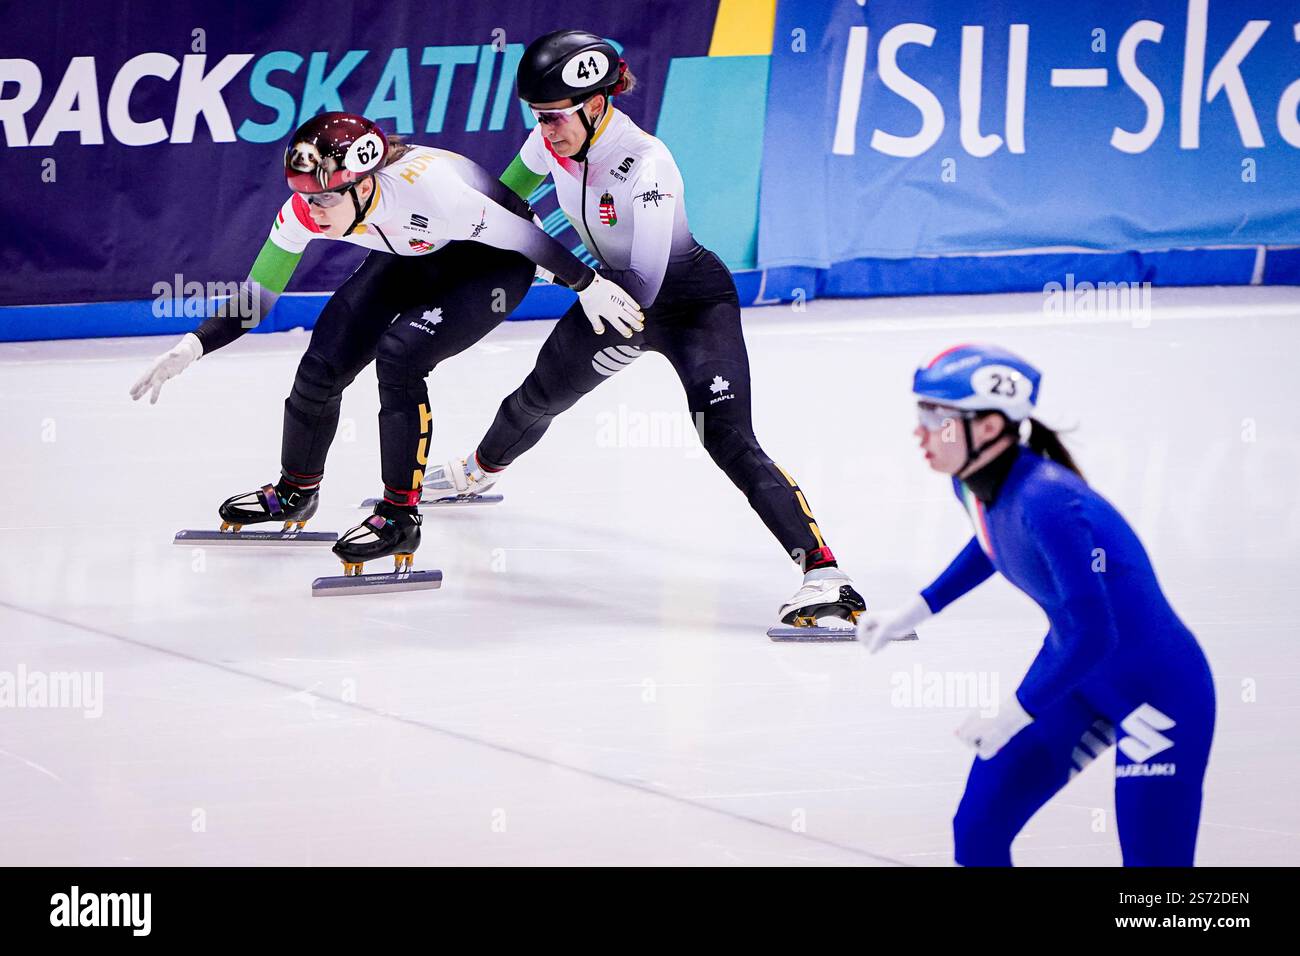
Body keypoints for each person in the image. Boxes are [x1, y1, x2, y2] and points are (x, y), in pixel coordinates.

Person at [426, 30, 866, 625]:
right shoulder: (547, 142)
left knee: (727, 438)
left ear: (597, 102)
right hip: (612, 296)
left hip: (684, 305)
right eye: (538, 116)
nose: (546, 131)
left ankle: (825, 575)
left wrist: (559, 276)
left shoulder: (648, 165)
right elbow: (501, 206)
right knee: (536, 398)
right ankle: (479, 470)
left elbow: (646, 285)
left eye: (556, 117)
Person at [129, 111, 642, 575]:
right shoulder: (307, 210)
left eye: (326, 197)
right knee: (322, 364)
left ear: (363, 182)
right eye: (306, 195)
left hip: (493, 263)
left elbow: (525, 237)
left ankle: (399, 515)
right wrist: (191, 347)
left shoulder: (435, 191)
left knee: (400, 357)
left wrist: (587, 285)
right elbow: (257, 299)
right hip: (419, 250)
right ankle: (295, 492)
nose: (314, 209)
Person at [857, 344, 1215, 866]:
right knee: (978, 830)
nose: (921, 432)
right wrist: (913, 611)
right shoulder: (973, 483)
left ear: (989, 427)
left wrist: (1010, 715)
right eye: (922, 414)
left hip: (1157, 693)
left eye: (938, 418)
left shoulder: (1048, 499)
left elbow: (1097, 633)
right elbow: (992, 543)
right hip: (1073, 678)